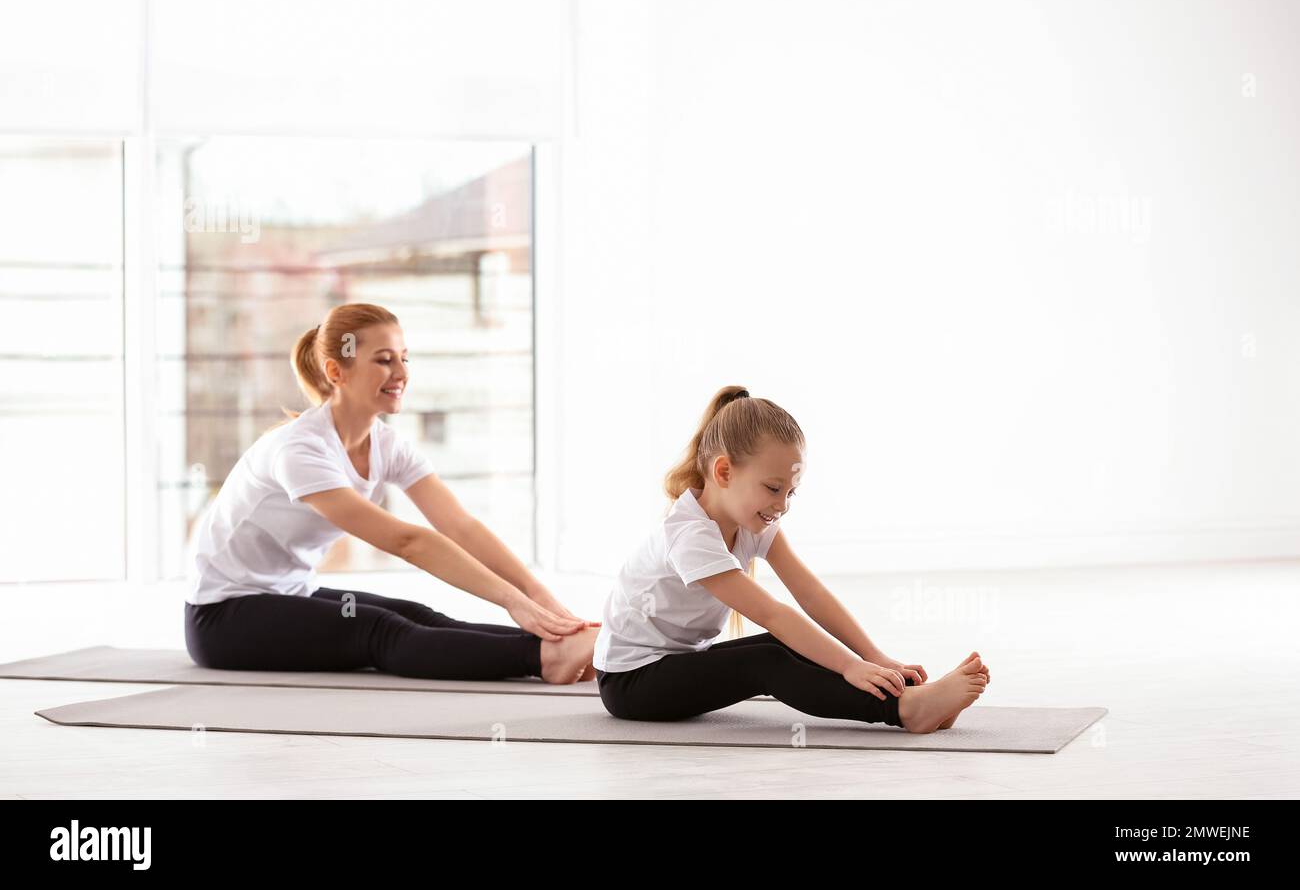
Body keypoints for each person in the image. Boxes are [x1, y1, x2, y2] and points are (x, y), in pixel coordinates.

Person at [183, 301, 600, 682]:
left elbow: (460, 525)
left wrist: (539, 597)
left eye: (403, 359)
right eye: (383, 361)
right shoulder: (300, 450)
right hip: (223, 616)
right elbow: (407, 541)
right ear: (335, 372)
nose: (401, 374)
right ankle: (545, 658)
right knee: (378, 631)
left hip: (288, 593)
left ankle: (558, 646)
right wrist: (511, 600)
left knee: (414, 614)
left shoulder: (385, 445)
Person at [592, 385, 990, 732]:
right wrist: (850, 666)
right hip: (631, 681)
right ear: (724, 471)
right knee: (767, 660)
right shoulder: (690, 534)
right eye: (772, 488)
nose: (781, 506)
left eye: (790, 493)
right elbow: (774, 615)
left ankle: (911, 696)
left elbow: (809, 593)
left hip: (675, 663)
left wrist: (876, 659)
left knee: (788, 646)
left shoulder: (752, 522)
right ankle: (904, 711)